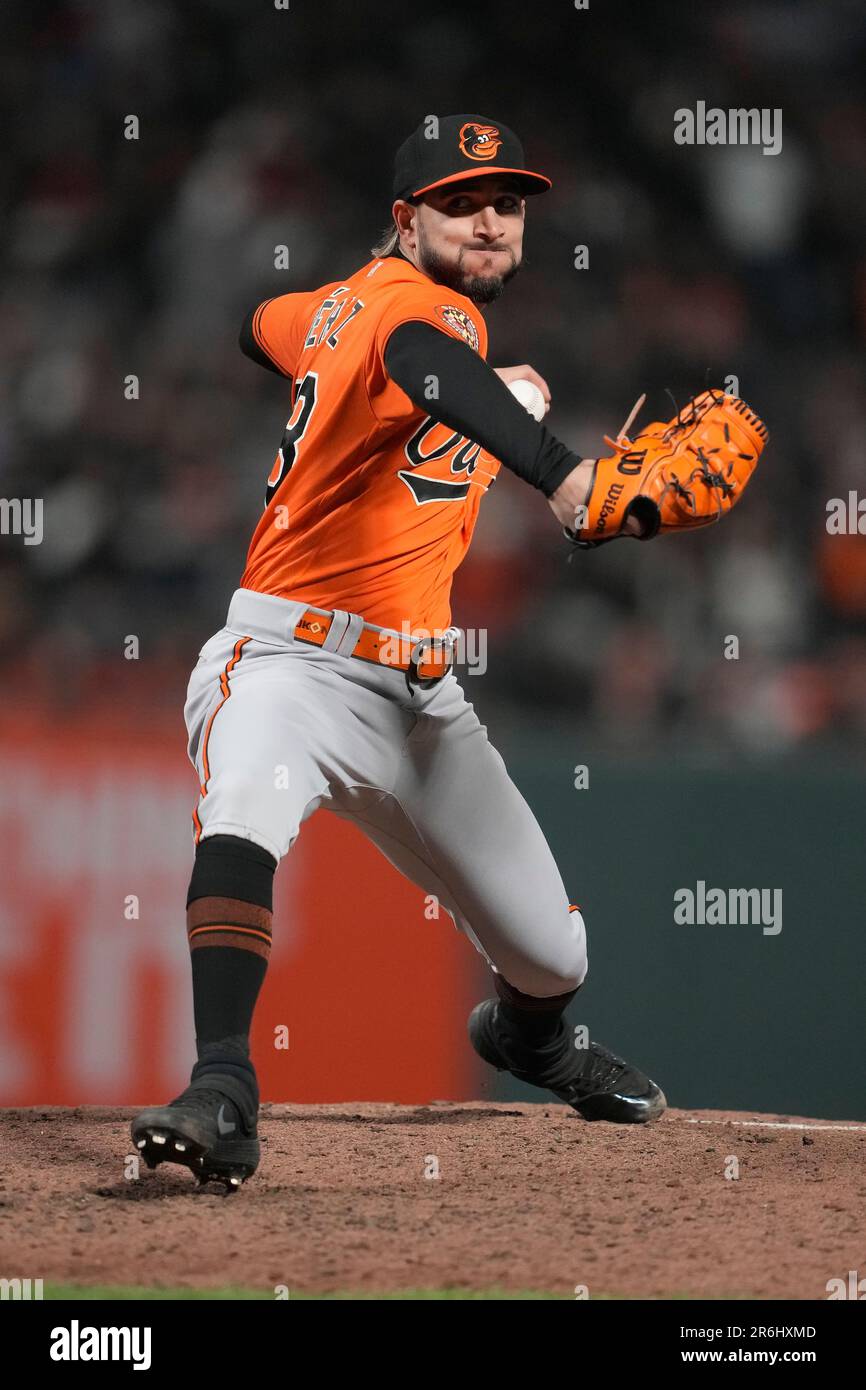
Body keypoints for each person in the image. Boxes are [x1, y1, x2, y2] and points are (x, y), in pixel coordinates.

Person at [131, 114, 665, 1191]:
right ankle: (223, 1083)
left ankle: (531, 1040)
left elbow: (257, 325)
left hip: (418, 696)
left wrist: (320, 334)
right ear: (403, 219)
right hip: (286, 663)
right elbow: (426, 363)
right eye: (458, 203)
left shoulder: (336, 309)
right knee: (242, 815)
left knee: (554, 959)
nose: (486, 223)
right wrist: (565, 475)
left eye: (504, 206)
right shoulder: (421, 318)